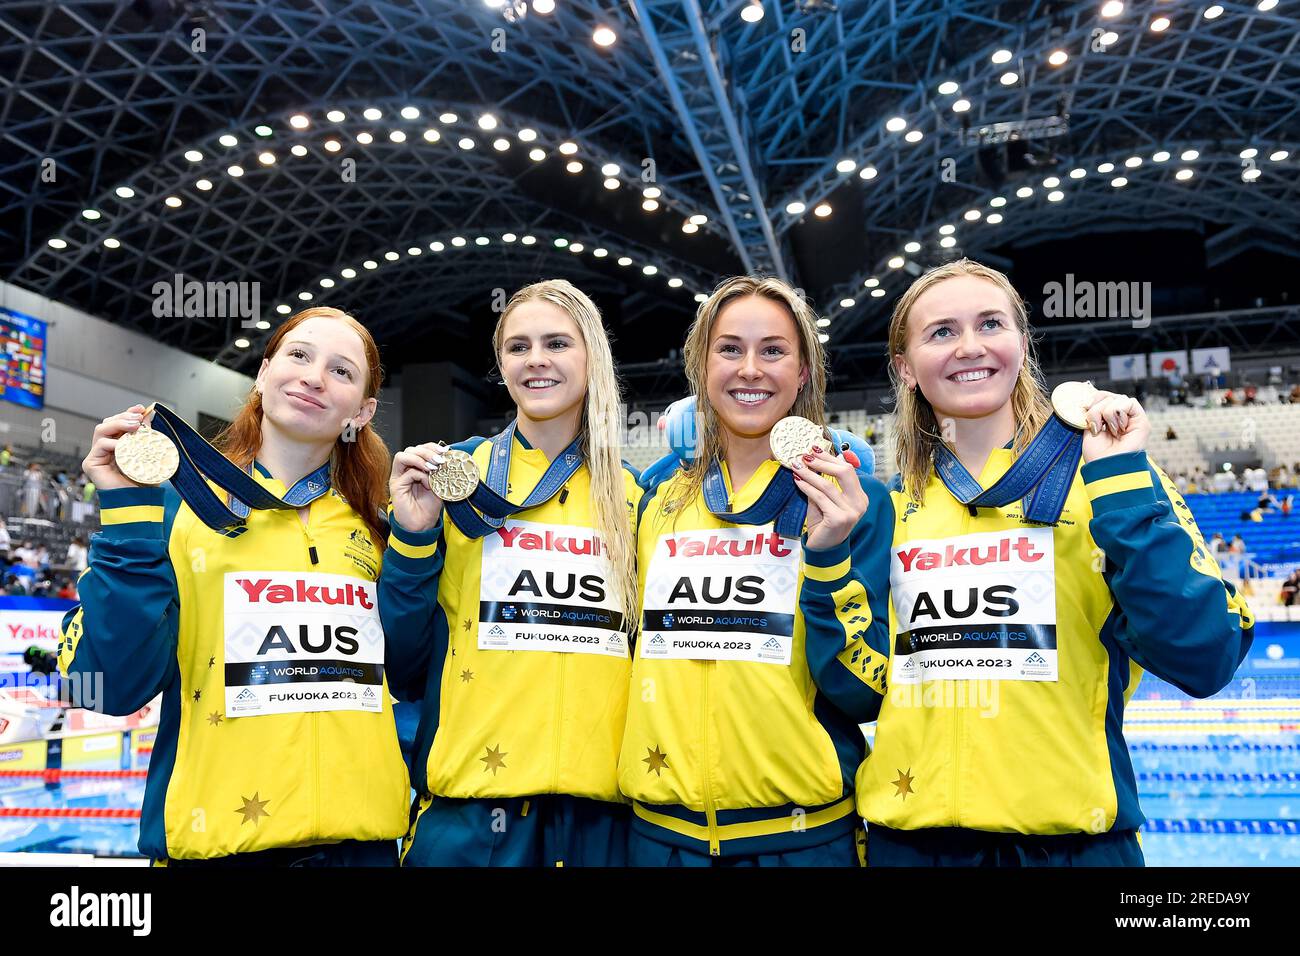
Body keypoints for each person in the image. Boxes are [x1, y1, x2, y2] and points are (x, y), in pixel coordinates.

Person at [857, 258, 1253, 866]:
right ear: (905, 369)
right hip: (909, 848)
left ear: (1021, 342)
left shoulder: (1110, 477)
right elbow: (863, 681)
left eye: (991, 324)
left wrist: (1118, 483)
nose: (971, 347)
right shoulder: (889, 507)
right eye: (942, 332)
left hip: (1072, 849)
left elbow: (1206, 657)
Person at [57, 306, 410, 865]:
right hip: (219, 847)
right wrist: (127, 512)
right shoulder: (175, 506)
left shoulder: (384, 526)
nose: (314, 376)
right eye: (298, 355)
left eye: (342, 371)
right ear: (264, 373)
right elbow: (105, 686)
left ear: (363, 411)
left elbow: (410, 680)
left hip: (359, 850)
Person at [619, 275, 892, 865]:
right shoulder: (656, 498)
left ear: (803, 374)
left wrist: (826, 559)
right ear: (702, 368)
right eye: (729, 349)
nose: (750, 369)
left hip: (802, 840)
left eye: (773, 350)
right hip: (659, 839)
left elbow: (863, 692)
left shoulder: (851, 502)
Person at [379, 280, 641, 867]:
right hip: (471, 816)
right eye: (518, 347)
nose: (537, 360)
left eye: (556, 343)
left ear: (591, 357)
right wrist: (414, 537)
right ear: (501, 365)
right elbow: (401, 657)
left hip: (602, 818)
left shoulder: (632, 494)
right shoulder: (453, 476)